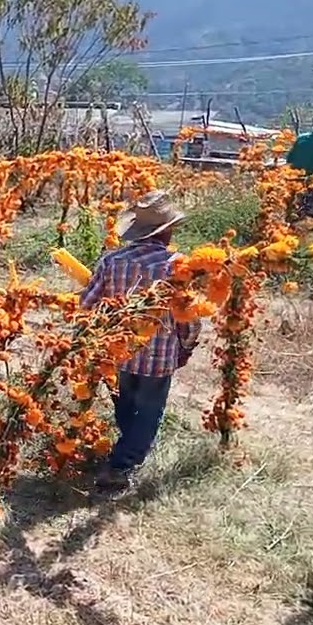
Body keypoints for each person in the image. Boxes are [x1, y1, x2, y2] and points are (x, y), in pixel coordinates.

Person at [80, 190, 201, 494]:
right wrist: (186, 346)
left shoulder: (112, 259)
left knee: (127, 408)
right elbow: (187, 315)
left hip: (116, 351)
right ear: (168, 229)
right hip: (158, 357)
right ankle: (119, 468)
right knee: (148, 412)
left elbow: (88, 305)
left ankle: (123, 453)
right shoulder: (178, 266)